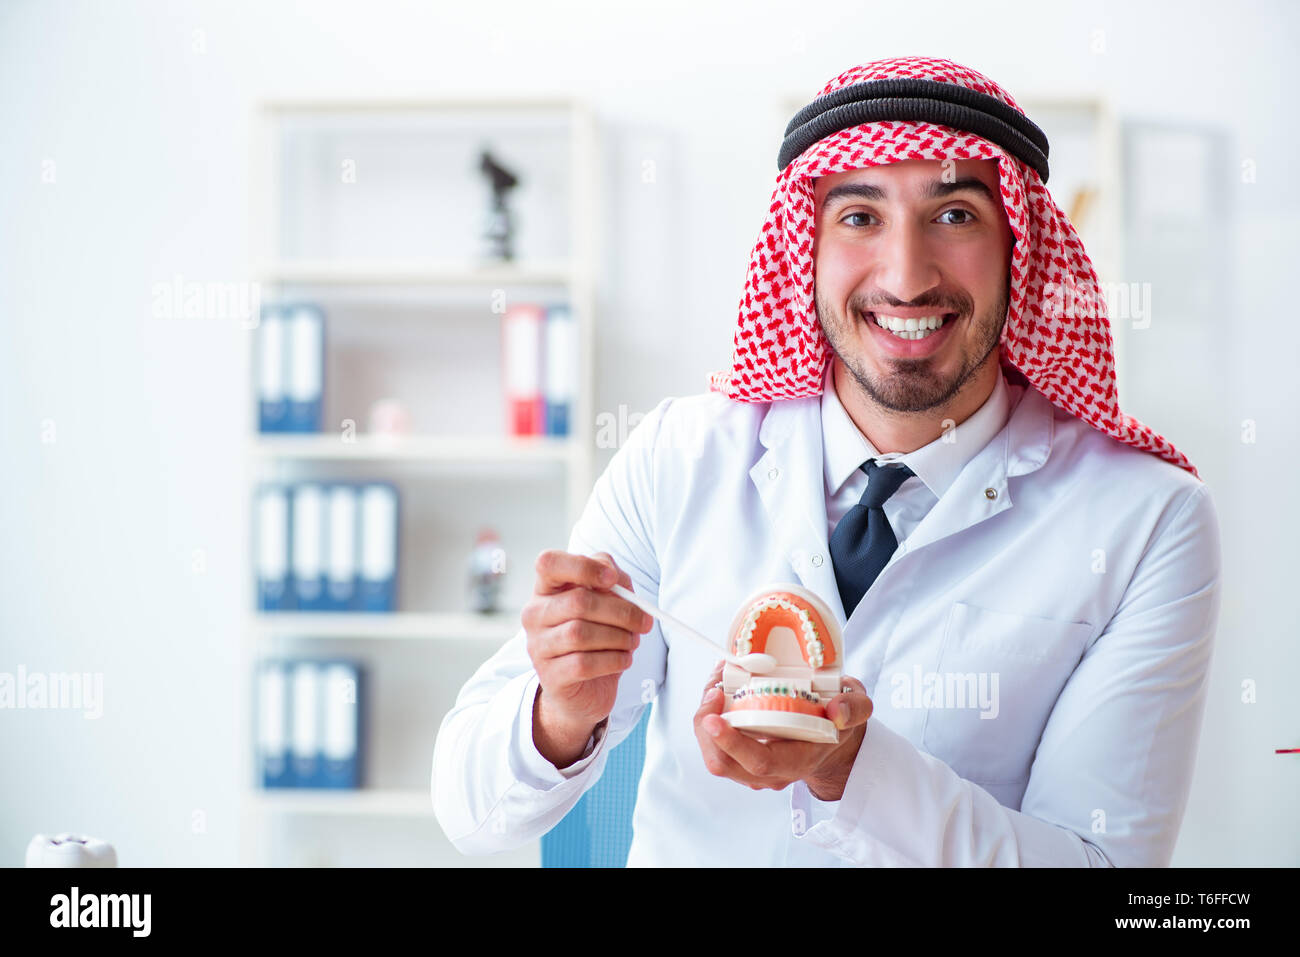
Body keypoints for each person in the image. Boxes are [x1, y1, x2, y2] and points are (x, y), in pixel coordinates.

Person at [431, 56, 1221, 866]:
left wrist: (854, 768)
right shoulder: (679, 457)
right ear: (803, 245)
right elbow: (471, 813)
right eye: (859, 216)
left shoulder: (1146, 520)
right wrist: (558, 716)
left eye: (953, 214)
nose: (907, 278)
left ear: (1020, 244)